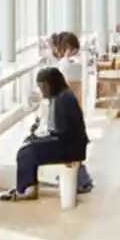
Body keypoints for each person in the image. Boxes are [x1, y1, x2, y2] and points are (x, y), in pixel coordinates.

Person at [0, 67, 90, 201]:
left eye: (42, 87)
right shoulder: (62, 96)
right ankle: (27, 186)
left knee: (26, 152)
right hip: (71, 144)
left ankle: (26, 189)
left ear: (50, 85)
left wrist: (40, 138)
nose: (41, 91)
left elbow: (62, 132)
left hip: (69, 147)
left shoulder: (63, 100)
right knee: (29, 147)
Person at [45, 32, 94, 193]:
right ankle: (78, 179)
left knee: (69, 147)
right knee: (72, 146)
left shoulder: (65, 65)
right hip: (69, 111)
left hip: (63, 112)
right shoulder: (66, 64)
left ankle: (78, 180)